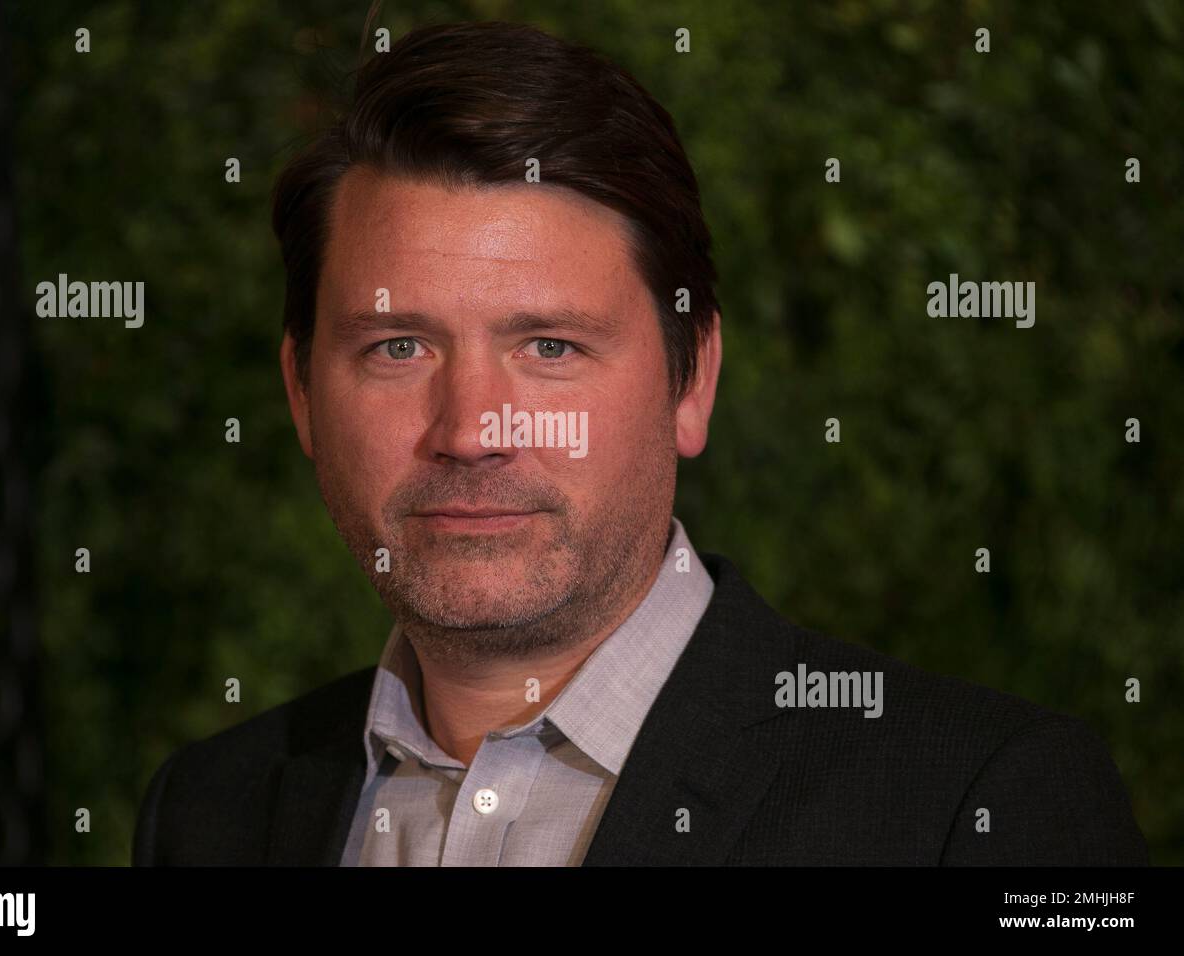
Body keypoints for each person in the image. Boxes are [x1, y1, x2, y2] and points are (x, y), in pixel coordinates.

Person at [132, 20, 1148, 866]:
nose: (473, 429)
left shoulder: (976, 805)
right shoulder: (206, 813)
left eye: (549, 346)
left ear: (690, 380)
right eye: (398, 345)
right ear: (302, 393)